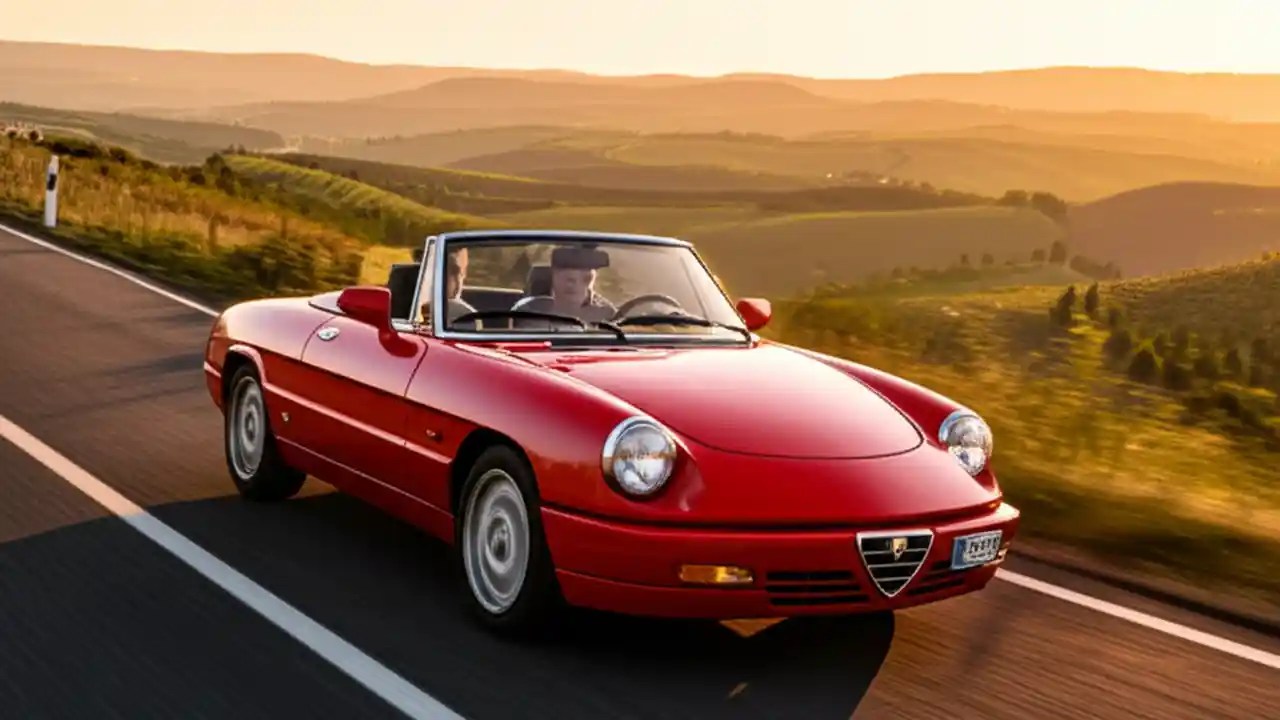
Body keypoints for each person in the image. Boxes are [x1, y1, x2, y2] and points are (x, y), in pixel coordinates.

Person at [514, 246, 616, 324]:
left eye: (582, 278)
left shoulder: (608, 316)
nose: (571, 284)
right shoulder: (526, 312)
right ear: (553, 278)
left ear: (590, 280)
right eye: (567, 278)